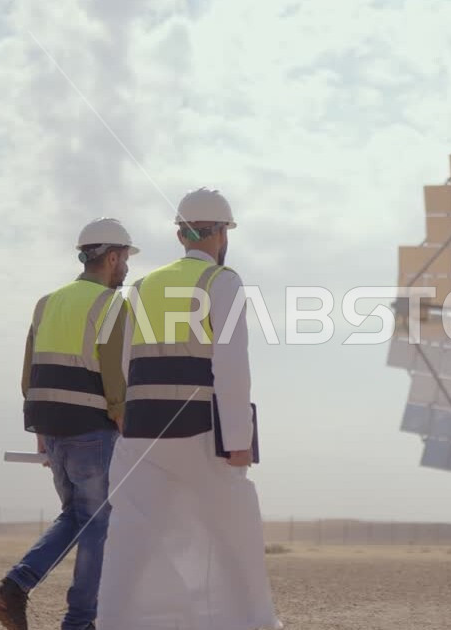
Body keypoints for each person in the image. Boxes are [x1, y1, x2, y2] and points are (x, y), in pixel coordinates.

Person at [95, 189, 280, 629]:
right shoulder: (222, 281)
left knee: (130, 538)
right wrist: (238, 440)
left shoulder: (141, 287)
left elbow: (126, 363)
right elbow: (231, 366)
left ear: (180, 235)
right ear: (221, 235)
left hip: (140, 433)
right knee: (235, 534)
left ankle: (115, 623)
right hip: (200, 431)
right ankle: (252, 623)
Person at [0, 218, 137, 630]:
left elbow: (29, 372)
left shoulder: (46, 303)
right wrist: (124, 421)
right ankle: (79, 621)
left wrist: (39, 430)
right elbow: (114, 373)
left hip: (50, 424)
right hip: (91, 427)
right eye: (126, 258)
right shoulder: (112, 305)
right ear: (112, 257)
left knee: (76, 515)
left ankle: (16, 585)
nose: (126, 267)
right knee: (97, 524)